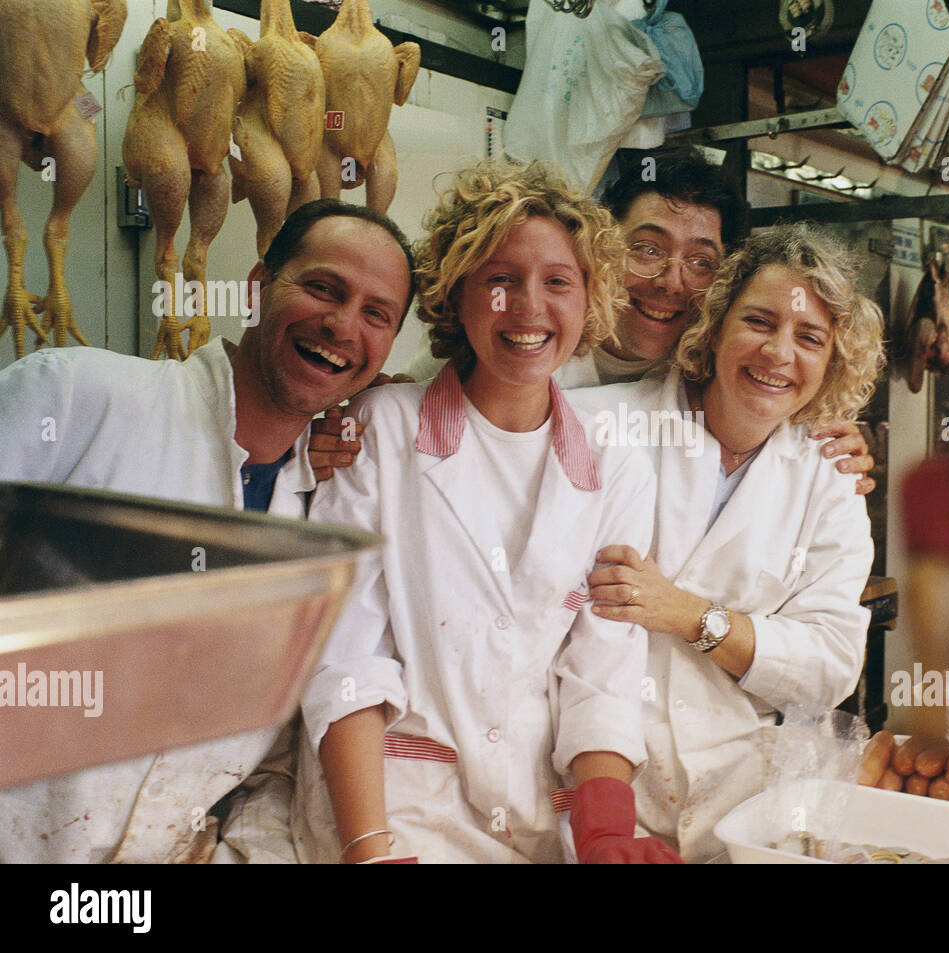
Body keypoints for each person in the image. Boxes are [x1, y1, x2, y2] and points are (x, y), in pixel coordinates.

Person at [282, 160, 680, 863]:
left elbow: (603, 662)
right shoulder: (377, 429)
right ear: (456, 296)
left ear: (591, 300)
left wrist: (608, 829)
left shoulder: (614, 466)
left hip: (539, 820)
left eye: (558, 281)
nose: (529, 307)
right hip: (392, 810)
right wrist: (371, 848)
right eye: (500, 279)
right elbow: (346, 650)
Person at [0, 198, 416, 862]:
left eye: (376, 313)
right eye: (321, 287)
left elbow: (267, 765)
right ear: (256, 288)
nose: (342, 325)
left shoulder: (320, 517)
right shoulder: (77, 396)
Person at [566, 224, 884, 861]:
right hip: (594, 787)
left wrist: (689, 615)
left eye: (810, 338)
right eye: (760, 322)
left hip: (746, 810)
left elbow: (830, 669)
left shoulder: (831, 479)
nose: (778, 353)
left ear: (832, 363)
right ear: (713, 330)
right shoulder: (599, 424)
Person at [321, 147, 877, 493]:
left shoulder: (714, 374)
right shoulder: (518, 340)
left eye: (701, 261)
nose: (671, 282)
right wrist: (342, 430)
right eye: (649, 249)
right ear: (604, 248)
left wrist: (824, 439)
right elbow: (412, 412)